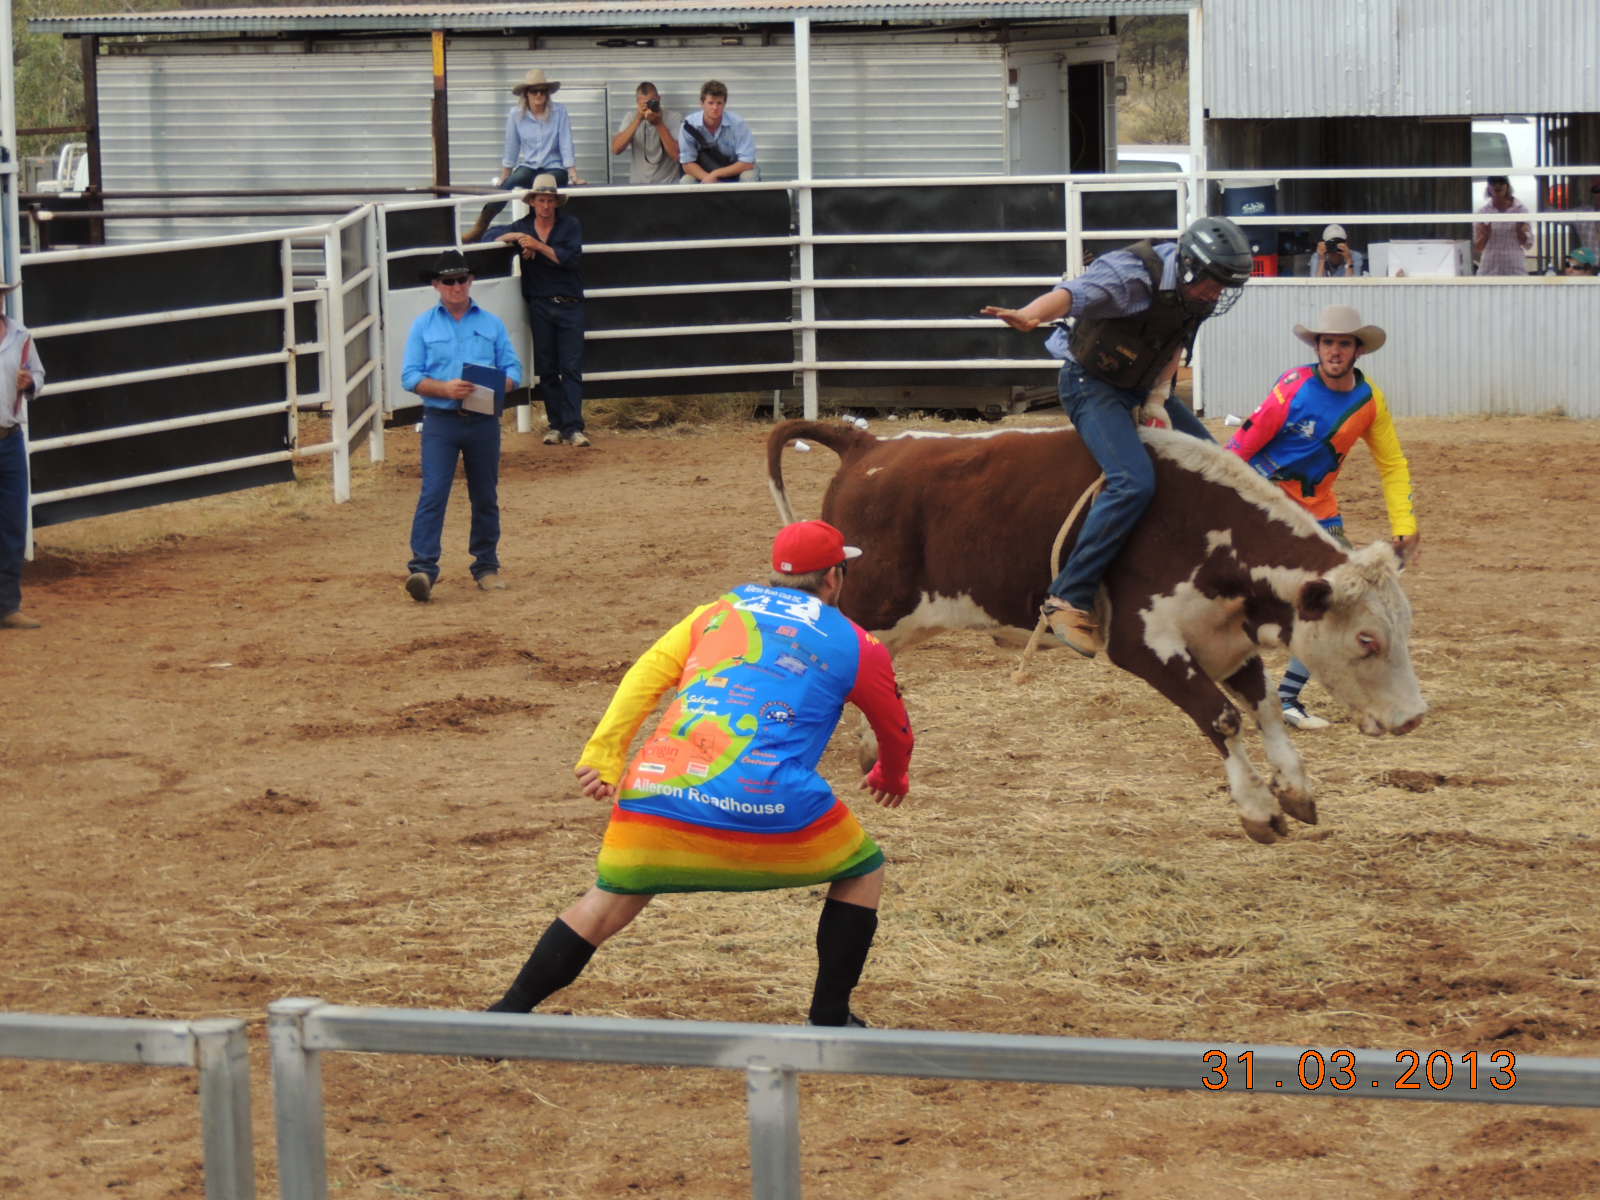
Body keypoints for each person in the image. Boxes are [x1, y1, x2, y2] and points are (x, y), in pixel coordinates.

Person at [486, 520, 915, 1027]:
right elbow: (894, 728)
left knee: (607, 901)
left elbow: (645, 675)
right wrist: (891, 775)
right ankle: (830, 1016)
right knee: (863, 870)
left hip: (659, 784)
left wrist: (605, 754)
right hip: (766, 792)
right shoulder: (858, 643)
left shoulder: (715, 612)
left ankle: (505, 1016)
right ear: (835, 578)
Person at [980, 215, 1254, 657]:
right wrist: (1031, 315)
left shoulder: (1194, 294)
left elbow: (1172, 345)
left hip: (1141, 386)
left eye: (1224, 286)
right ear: (1188, 267)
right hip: (1092, 385)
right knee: (1133, 480)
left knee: (1216, 466)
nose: (1216, 293)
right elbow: (1074, 294)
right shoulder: (1131, 275)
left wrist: (1157, 403)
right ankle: (1067, 597)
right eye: (1212, 283)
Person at [1225, 305, 1419, 730]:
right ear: (1317, 346)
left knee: (1343, 603)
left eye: (1343, 344)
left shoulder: (1369, 401)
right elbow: (1241, 447)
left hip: (1320, 513)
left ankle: (1288, 697)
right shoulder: (1292, 388)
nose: (1334, 351)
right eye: (1327, 342)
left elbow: (1392, 463)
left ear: (1357, 352)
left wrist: (1404, 525)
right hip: (1267, 506)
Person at [401, 251, 523, 602]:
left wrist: (497, 385)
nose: (456, 286)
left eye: (462, 280)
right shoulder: (423, 325)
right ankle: (423, 569)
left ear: (470, 281)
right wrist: (444, 389)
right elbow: (409, 376)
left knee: (485, 494)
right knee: (434, 493)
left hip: (483, 420)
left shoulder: (492, 324)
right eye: (449, 281)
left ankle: (486, 565)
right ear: (436, 285)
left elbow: (514, 370)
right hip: (441, 420)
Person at [485, 174, 589, 447]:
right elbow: (491, 236)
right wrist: (518, 237)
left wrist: (537, 246)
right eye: (541, 200)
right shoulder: (524, 227)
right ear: (533, 202)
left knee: (570, 367)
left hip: (568, 303)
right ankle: (558, 424)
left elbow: (570, 259)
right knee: (547, 367)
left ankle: (573, 425)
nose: (545, 206)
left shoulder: (570, 226)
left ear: (556, 202)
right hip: (541, 303)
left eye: (549, 200)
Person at [462, 69, 585, 244]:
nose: (539, 95)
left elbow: (566, 143)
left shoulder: (559, 111)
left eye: (543, 90)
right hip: (529, 166)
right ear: (526, 94)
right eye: (535, 91)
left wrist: (573, 175)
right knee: (511, 183)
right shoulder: (516, 114)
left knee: (547, 185)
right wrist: (505, 176)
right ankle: (481, 225)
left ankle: (550, 233)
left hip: (554, 166)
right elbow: (511, 146)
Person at [0, 279, 46, 631]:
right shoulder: (18, 336)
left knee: (12, 524)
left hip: (8, 437)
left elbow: (39, 375)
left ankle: (7, 605)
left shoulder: (21, 336)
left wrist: (30, 383)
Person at [678, 80, 757, 184]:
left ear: (724, 104)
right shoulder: (689, 126)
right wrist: (708, 178)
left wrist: (716, 174)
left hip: (735, 170)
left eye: (719, 103)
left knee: (749, 176)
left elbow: (747, 163)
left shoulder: (738, 124)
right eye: (710, 103)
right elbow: (687, 163)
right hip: (703, 171)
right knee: (686, 181)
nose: (715, 108)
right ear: (702, 103)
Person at [611, 82, 682, 185]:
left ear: (658, 99)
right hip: (639, 185)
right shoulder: (631, 117)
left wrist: (659, 124)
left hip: (668, 184)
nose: (648, 108)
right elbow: (616, 149)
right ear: (637, 103)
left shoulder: (673, 117)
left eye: (651, 103)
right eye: (644, 104)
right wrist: (638, 119)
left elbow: (676, 154)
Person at [1473, 176, 1532, 276]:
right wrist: (1486, 235)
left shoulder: (1520, 209)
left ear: (1507, 186)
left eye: (1501, 182)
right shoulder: (1482, 212)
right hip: (1489, 270)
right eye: (1493, 183)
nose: (1497, 186)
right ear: (1488, 188)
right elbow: (1478, 247)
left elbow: (1528, 245)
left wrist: (1519, 230)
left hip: (1515, 269)